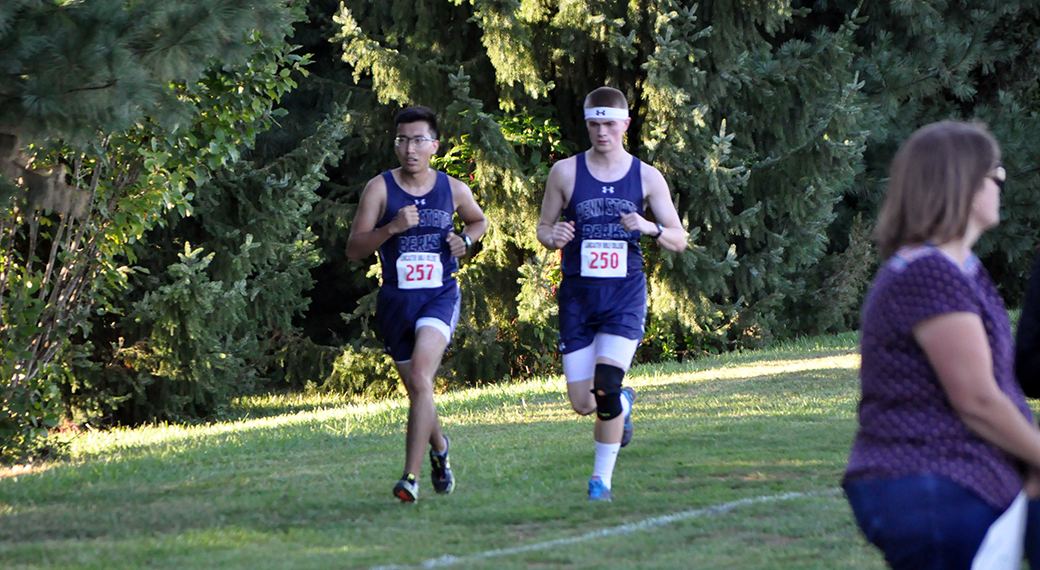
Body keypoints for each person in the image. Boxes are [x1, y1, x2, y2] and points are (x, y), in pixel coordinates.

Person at [843, 120, 1040, 569]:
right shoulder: (927, 273)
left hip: (954, 482)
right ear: (966, 183)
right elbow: (978, 401)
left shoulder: (959, 268)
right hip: (932, 484)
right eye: (997, 175)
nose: (1001, 186)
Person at [537, 86, 686, 501]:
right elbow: (543, 228)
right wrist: (555, 236)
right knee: (584, 403)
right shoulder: (565, 173)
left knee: (604, 383)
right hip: (578, 298)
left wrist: (649, 227)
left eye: (609, 123)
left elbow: (678, 238)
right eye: (594, 124)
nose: (602, 132)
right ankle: (623, 402)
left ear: (625, 124)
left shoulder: (646, 176)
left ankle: (601, 481)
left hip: (624, 294)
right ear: (586, 125)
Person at [346, 106, 487, 503]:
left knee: (423, 378)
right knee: (418, 389)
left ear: (434, 145)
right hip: (396, 302)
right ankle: (440, 449)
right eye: (402, 140)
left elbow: (478, 221)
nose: (410, 148)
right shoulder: (380, 189)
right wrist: (391, 228)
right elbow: (353, 249)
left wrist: (467, 241)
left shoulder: (453, 189)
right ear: (395, 145)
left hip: (439, 296)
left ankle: (410, 477)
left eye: (419, 140)